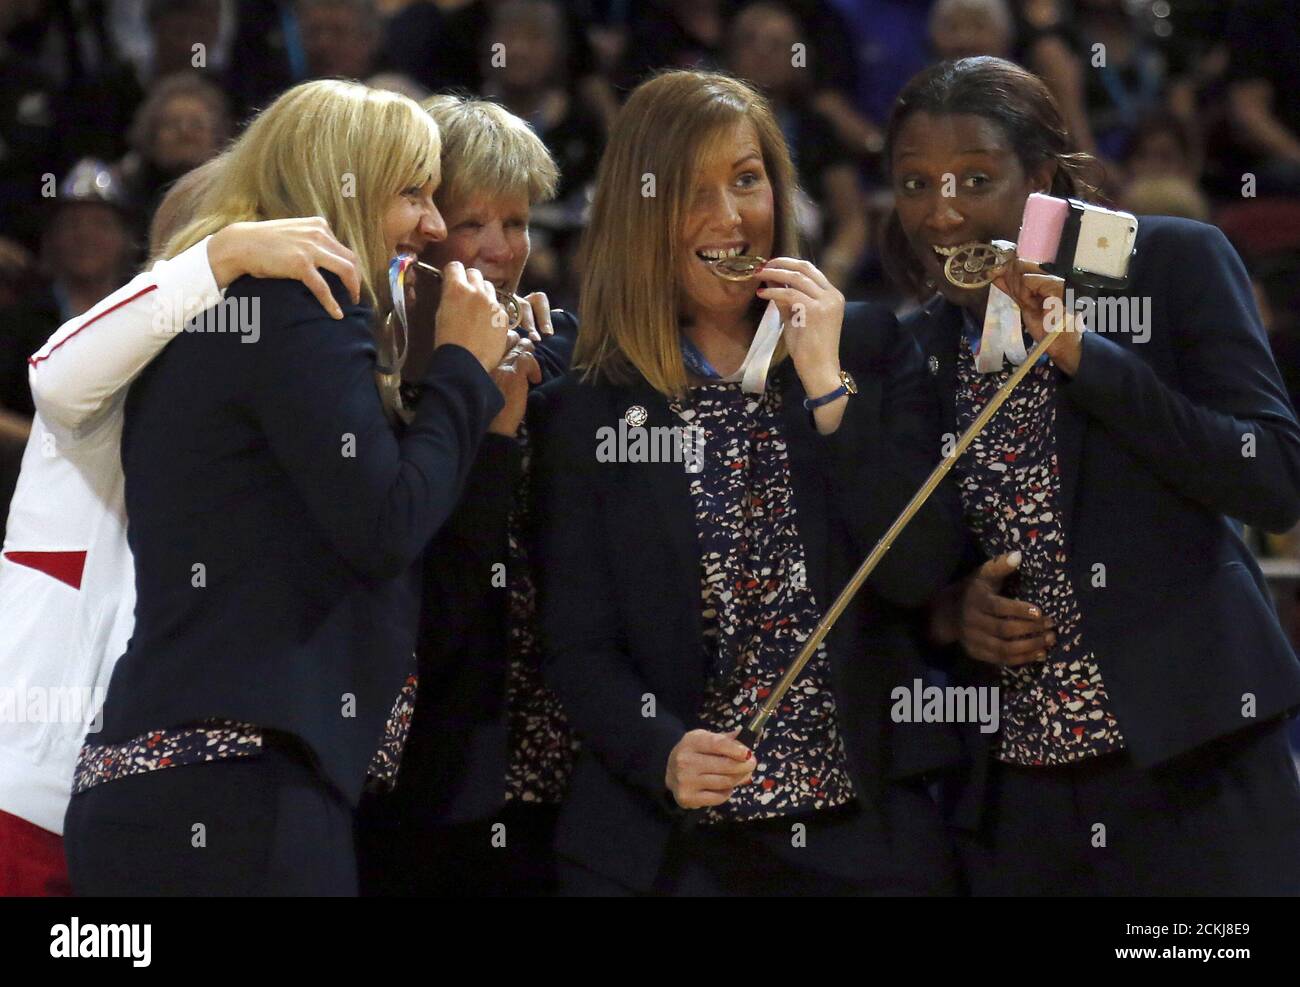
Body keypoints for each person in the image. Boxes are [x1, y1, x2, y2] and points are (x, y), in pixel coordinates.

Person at [60, 78, 510, 896]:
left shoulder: (217, 315)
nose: (435, 226)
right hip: (239, 803)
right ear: (340, 186)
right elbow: (384, 522)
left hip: (157, 786)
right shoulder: (295, 306)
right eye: (413, 193)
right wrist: (462, 374)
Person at [531, 70, 965, 896]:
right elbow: (578, 646)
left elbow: (918, 571)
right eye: (693, 191)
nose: (731, 218)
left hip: (860, 836)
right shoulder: (588, 407)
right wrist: (660, 747)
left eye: (747, 179)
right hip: (677, 847)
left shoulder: (866, 347)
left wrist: (830, 389)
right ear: (640, 212)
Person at [883, 56, 1300, 895]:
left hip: (1193, 762)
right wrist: (954, 611)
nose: (943, 209)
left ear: (1040, 178)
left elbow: (1272, 478)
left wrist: (1088, 356)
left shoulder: (1168, 262)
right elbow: (913, 561)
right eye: (914, 182)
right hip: (1020, 792)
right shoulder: (914, 348)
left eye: (976, 177)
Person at [0, 156, 368, 896]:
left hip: (175, 800)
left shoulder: (284, 401)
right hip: (29, 796)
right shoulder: (101, 371)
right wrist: (222, 257)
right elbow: (55, 373)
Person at [354, 93, 578, 896]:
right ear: (416, 225)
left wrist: (556, 395)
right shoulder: (361, 382)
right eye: (470, 220)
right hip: (416, 773)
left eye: (515, 223)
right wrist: (492, 434)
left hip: (557, 763)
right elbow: (432, 596)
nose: (497, 248)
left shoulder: (563, 355)